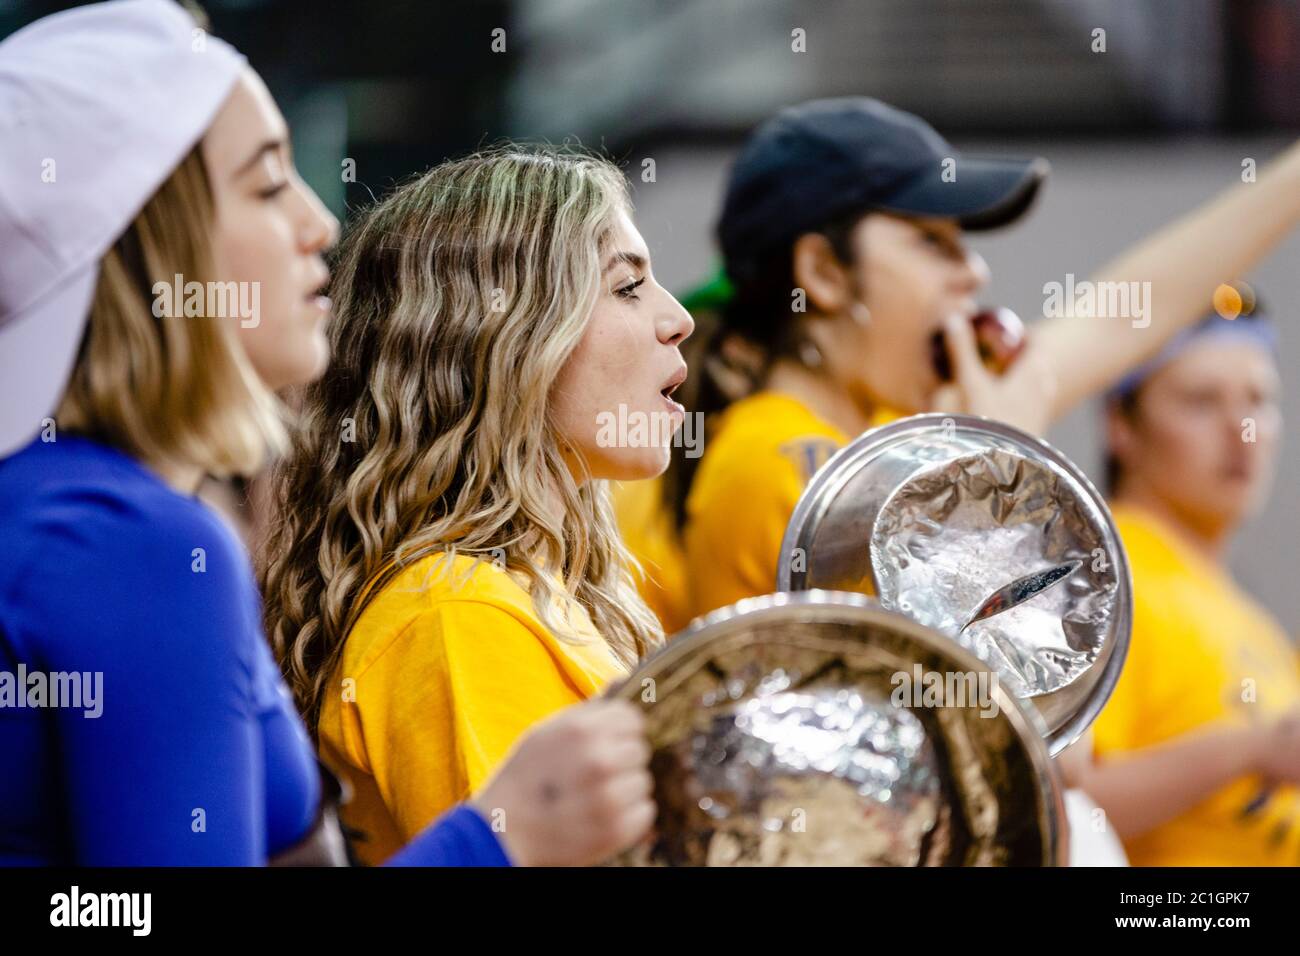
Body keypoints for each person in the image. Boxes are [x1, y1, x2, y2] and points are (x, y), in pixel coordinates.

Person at [0, 0, 652, 867]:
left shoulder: (78, 508)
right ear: (156, 242)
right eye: (268, 185)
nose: (321, 224)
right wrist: (498, 842)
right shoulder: (128, 537)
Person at [625, 97, 1300, 629]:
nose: (973, 271)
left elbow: (1121, 315)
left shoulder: (884, 431)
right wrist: (996, 473)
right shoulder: (780, 461)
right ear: (824, 272)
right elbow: (1024, 709)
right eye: (931, 242)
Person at [260, 146, 693, 864]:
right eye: (626, 289)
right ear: (503, 339)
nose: (677, 319)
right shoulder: (458, 615)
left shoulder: (517, 590)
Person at [1076, 309, 1300, 866]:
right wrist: (1247, 751)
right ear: (1120, 426)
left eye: (1258, 401)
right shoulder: (1099, 572)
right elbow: (1061, 805)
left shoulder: (1255, 621)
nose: (1239, 428)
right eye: (1201, 401)